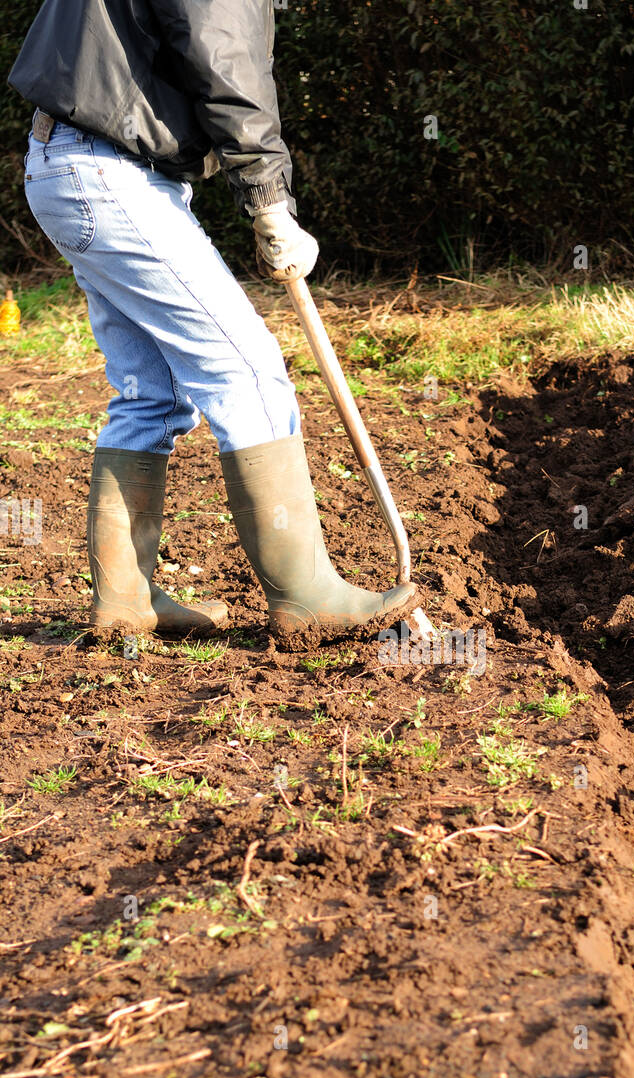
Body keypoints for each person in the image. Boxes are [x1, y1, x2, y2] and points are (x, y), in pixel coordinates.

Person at [8, 0, 416, 637]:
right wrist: (270, 201)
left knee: (151, 393)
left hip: (70, 162)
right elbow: (223, 57)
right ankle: (306, 596)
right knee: (248, 373)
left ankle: (127, 600)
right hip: (108, 172)